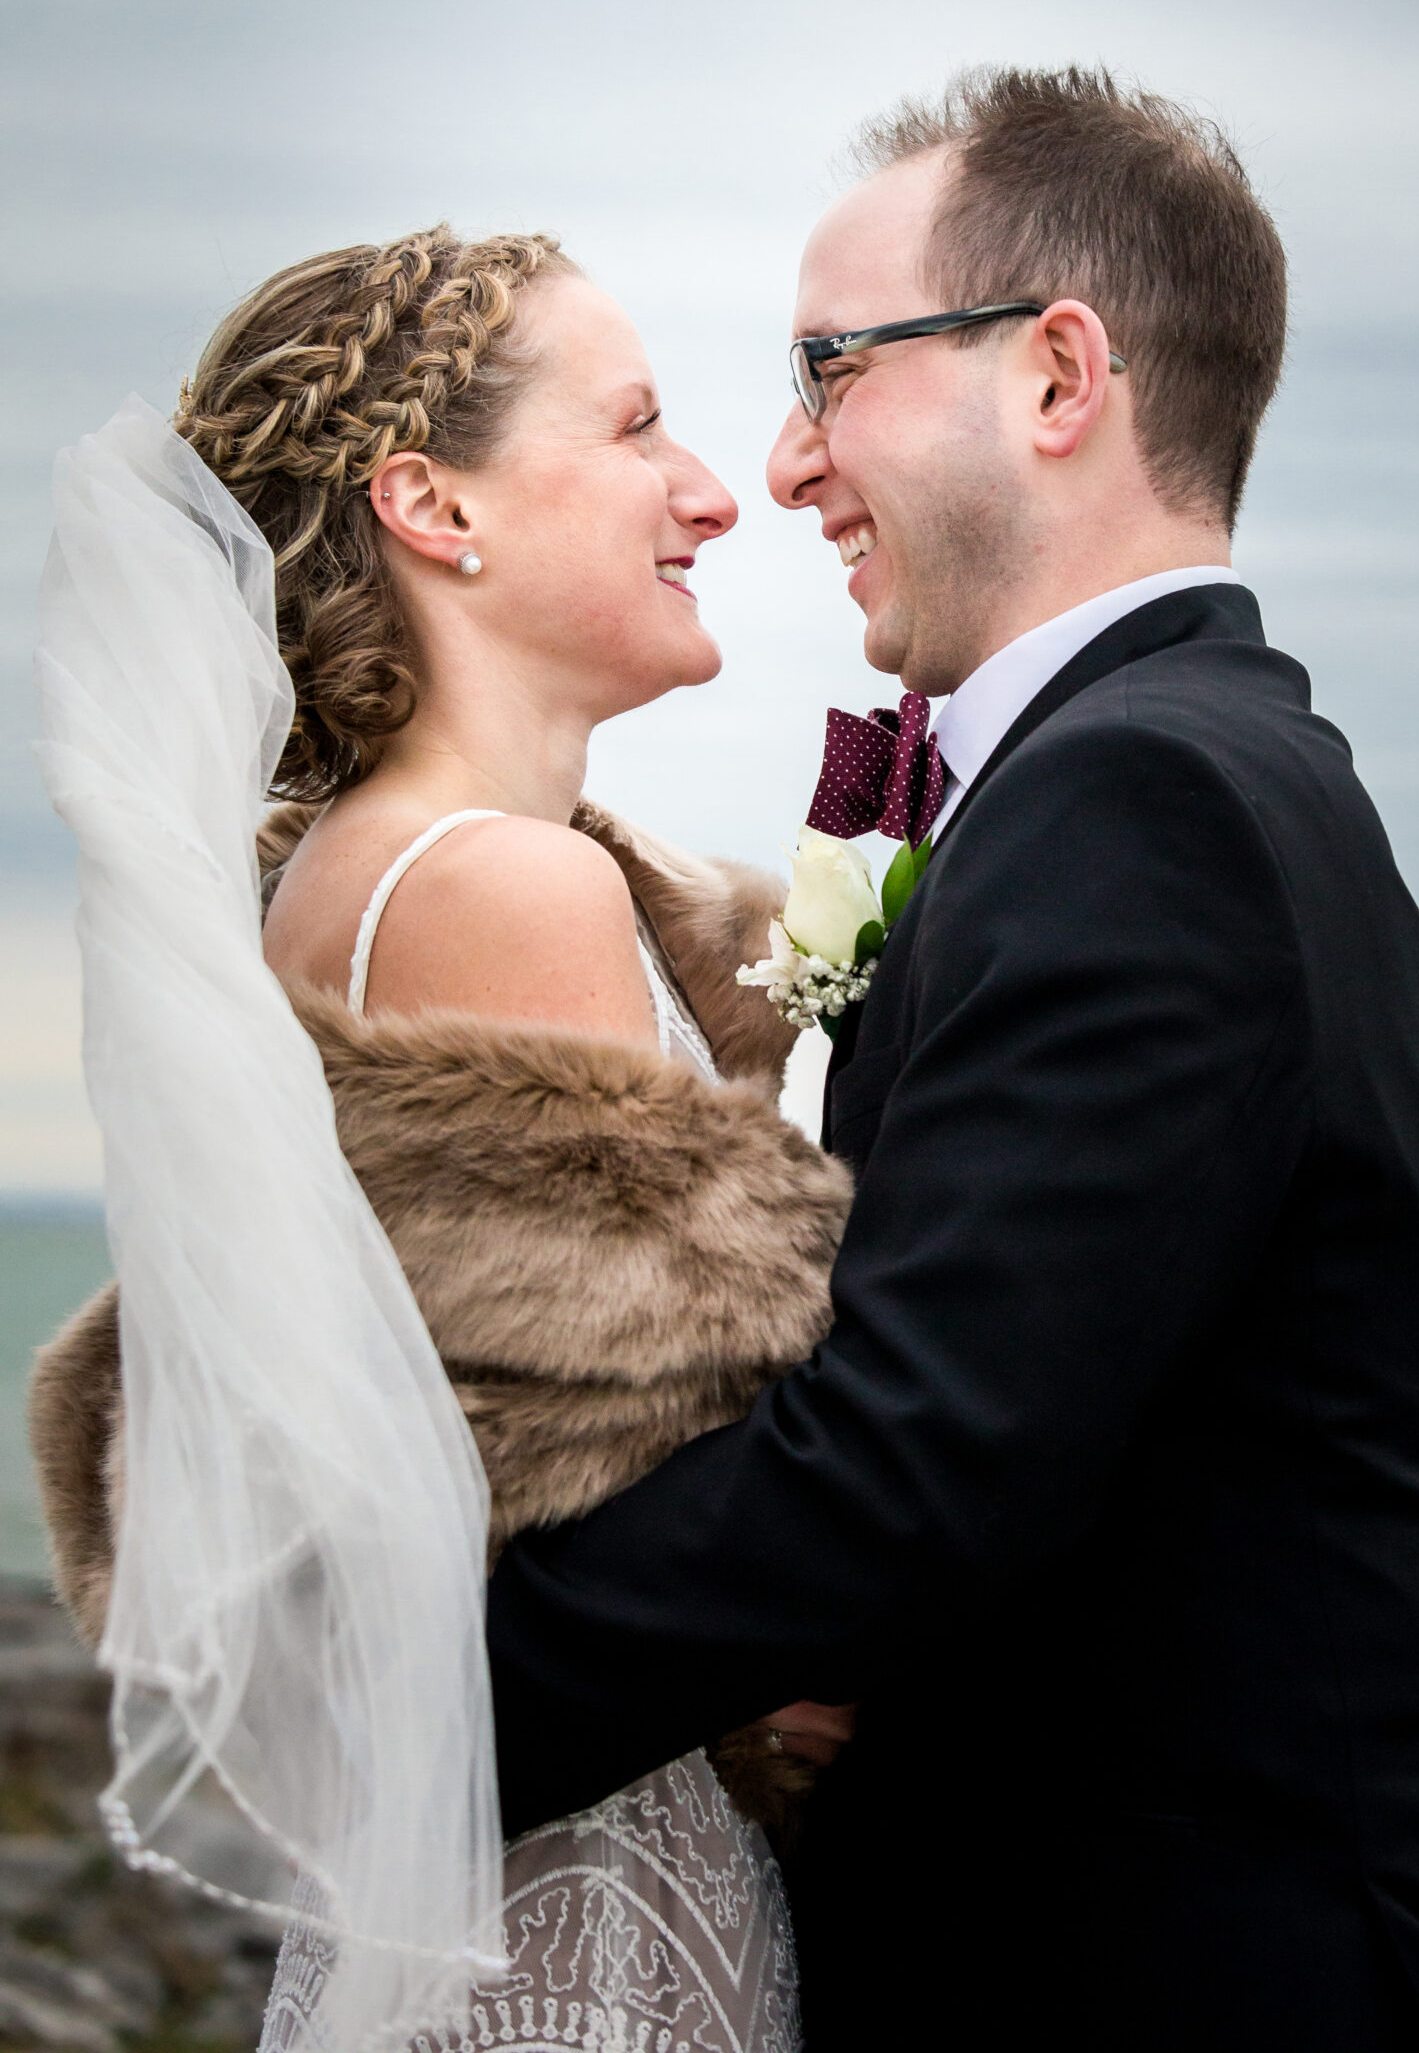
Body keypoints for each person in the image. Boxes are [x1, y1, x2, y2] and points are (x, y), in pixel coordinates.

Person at [483, 70, 1419, 2049]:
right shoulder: (1155, 780)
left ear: (1054, 374)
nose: (778, 460)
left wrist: (408, 1691)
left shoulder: (1148, 803)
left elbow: (915, 1458)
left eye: (827, 371)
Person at [31, 226, 854, 2053]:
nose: (713, 494)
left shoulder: (376, 872)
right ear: (432, 505)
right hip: (581, 1918)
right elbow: (650, 1468)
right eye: (639, 428)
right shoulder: (494, 883)